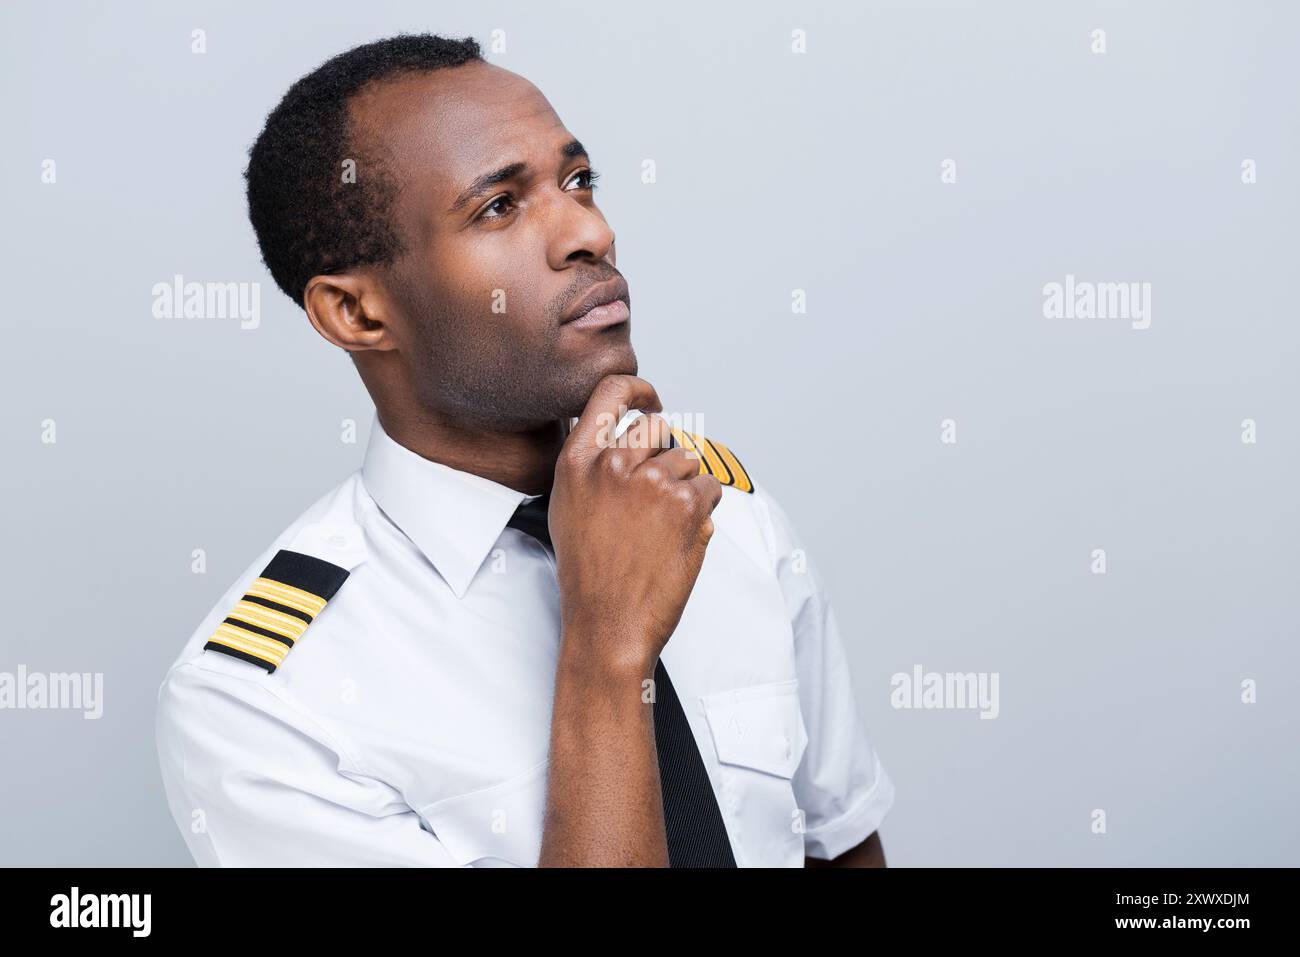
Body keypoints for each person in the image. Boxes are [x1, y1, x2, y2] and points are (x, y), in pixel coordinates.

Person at [155, 33, 894, 867]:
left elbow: (840, 843)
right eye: (498, 207)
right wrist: (607, 648)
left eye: (579, 181)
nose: (590, 230)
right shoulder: (264, 703)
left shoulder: (719, 505)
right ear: (357, 315)